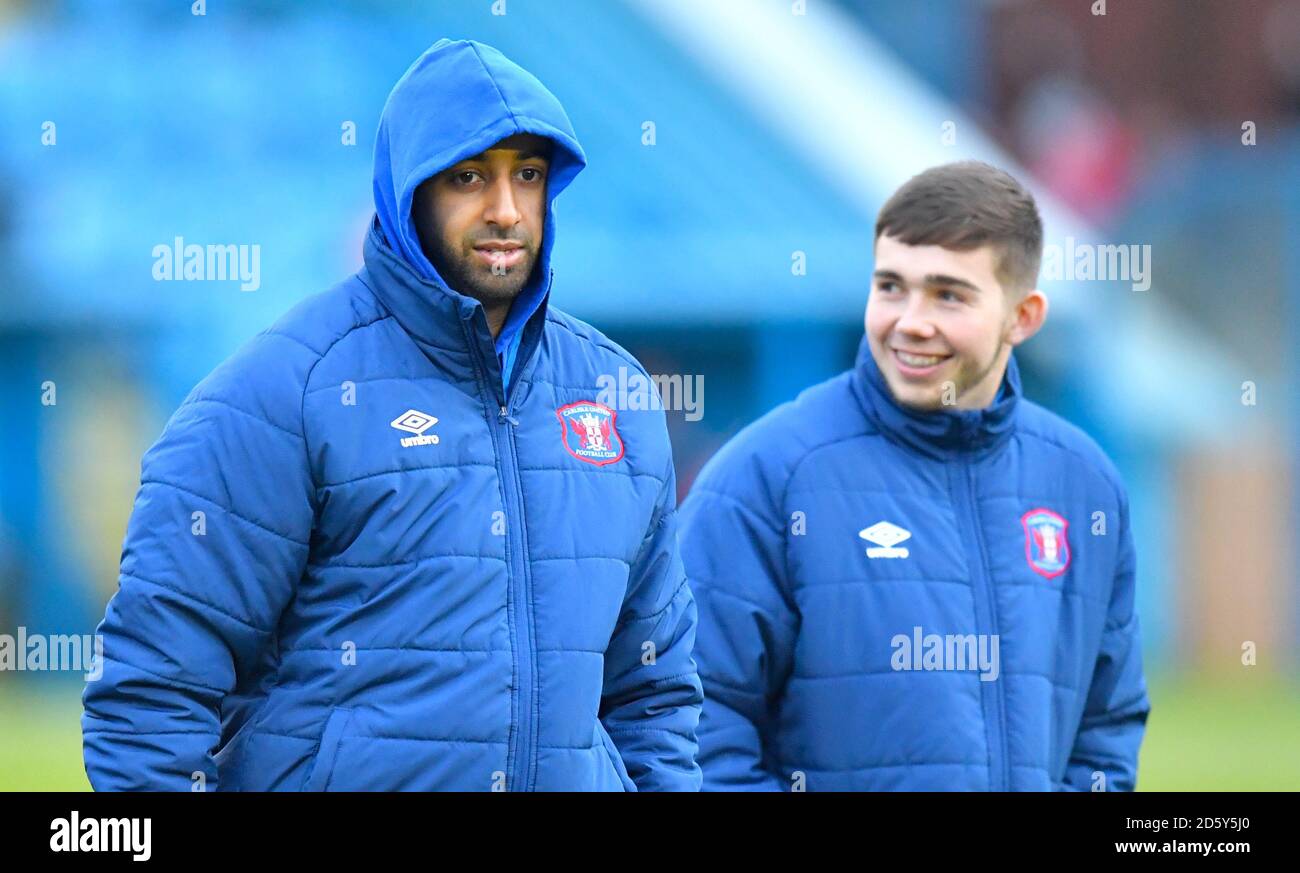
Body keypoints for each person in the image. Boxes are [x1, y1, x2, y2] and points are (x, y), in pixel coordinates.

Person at [82, 39, 702, 792]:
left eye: (527, 176)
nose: (505, 209)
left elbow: (655, 691)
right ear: (410, 192)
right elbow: (153, 687)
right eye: (469, 176)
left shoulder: (615, 396)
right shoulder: (280, 392)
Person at [680, 161, 1148, 791]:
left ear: (1024, 317)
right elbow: (693, 728)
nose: (910, 321)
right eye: (891, 287)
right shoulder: (765, 478)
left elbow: (1107, 725)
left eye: (948, 294)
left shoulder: (1083, 485)